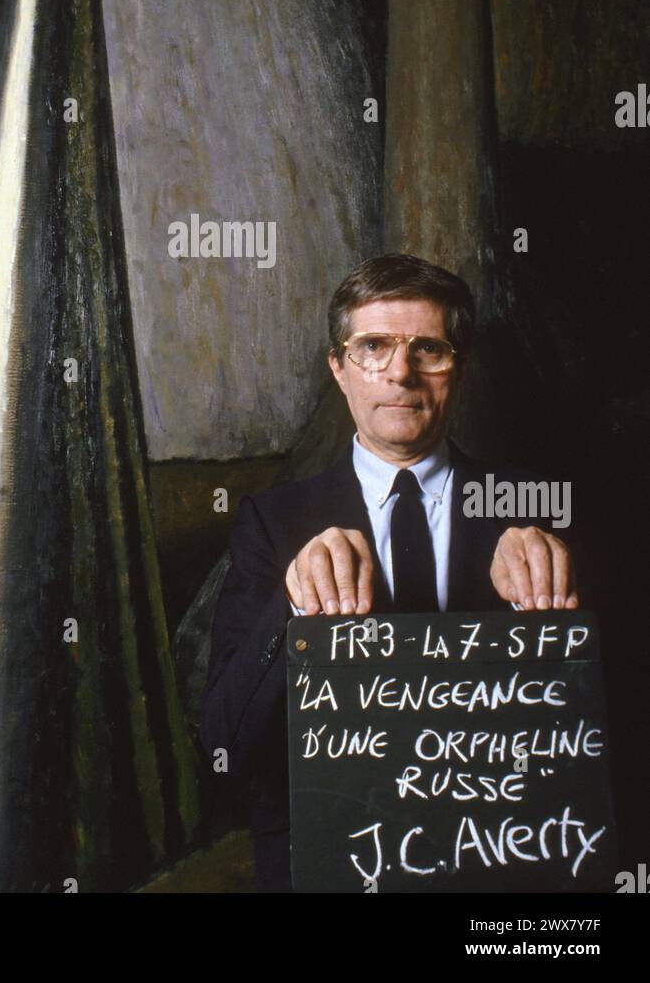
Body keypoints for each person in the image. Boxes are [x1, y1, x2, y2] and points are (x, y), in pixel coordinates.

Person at [199, 253, 579, 892]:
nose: (401, 373)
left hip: (502, 864)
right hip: (331, 861)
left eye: (428, 348)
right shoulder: (272, 522)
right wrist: (294, 612)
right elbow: (226, 748)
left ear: (458, 368)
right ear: (338, 369)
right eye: (373, 347)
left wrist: (552, 608)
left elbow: (599, 731)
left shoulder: (534, 510)